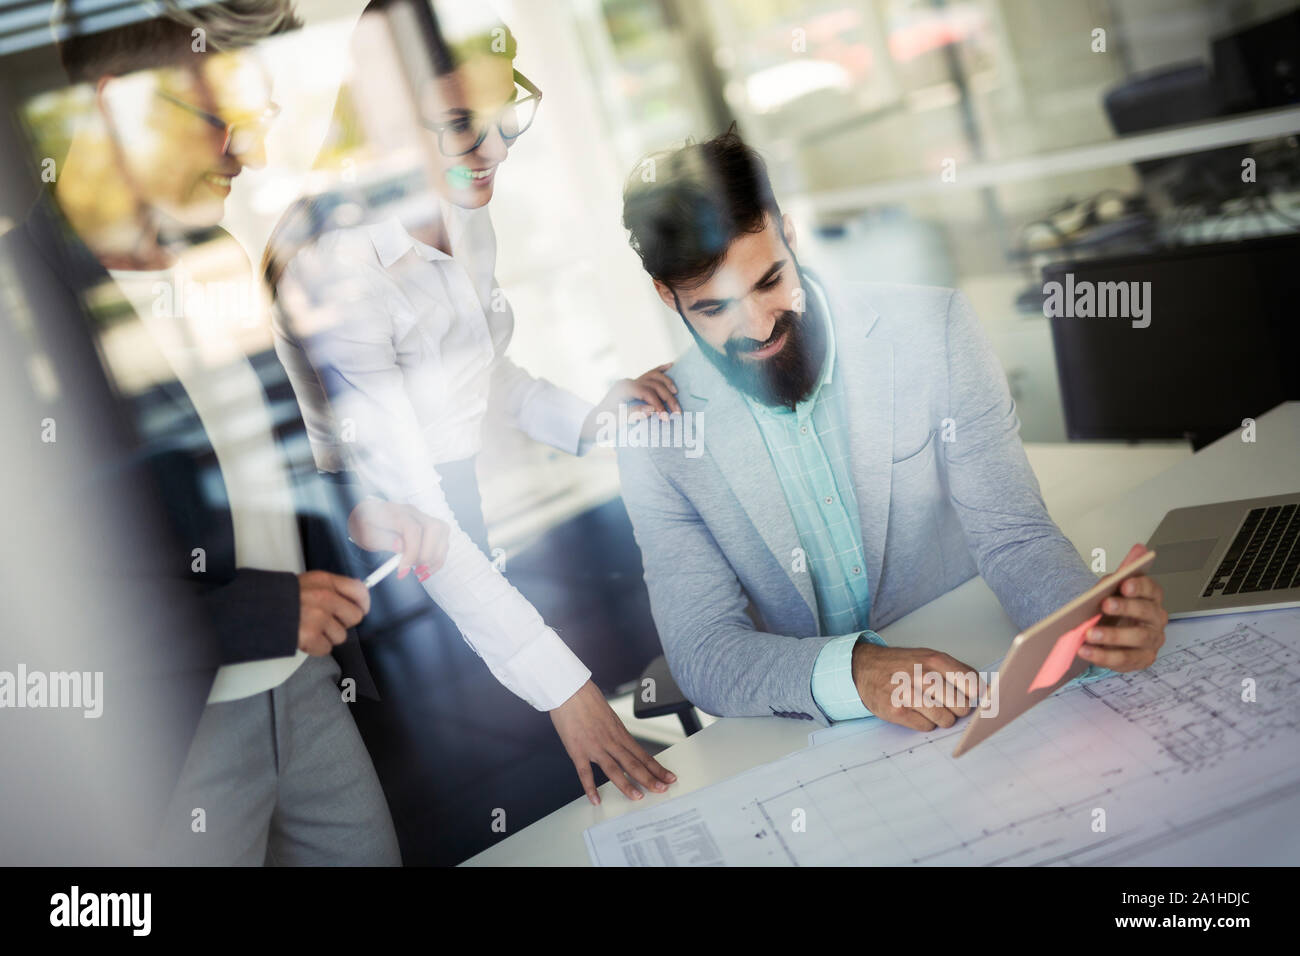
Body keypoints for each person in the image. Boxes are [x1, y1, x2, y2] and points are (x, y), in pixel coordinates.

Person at [23, 0, 450, 863]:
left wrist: (346, 516)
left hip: (307, 691)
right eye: (223, 123)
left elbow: (254, 470)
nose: (246, 152)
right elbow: (29, 602)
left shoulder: (217, 256)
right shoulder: (21, 306)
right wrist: (250, 617)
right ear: (121, 106)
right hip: (167, 734)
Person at [616, 130, 1169, 728]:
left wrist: (1087, 622)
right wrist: (857, 672)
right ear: (667, 298)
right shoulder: (656, 436)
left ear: (788, 232)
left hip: (974, 679)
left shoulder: (933, 329)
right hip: (808, 730)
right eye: (714, 308)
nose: (757, 327)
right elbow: (704, 653)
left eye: (770, 281)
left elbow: (1014, 537)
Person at [265, 0, 677, 804]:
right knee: (491, 785)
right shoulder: (340, 274)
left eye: (503, 118)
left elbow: (484, 372)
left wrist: (596, 417)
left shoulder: (457, 211)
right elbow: (416, 510)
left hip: (460, 516)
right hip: (386, 558)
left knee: (559, 764)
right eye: (459, 124)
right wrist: (566, 689)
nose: (490, 150)